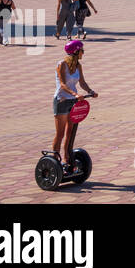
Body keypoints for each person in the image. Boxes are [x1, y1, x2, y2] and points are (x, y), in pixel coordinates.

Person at [52, 39, 98, 175]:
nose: (83, 53)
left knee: (70, 133)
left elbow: (82, 82)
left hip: (73, 101)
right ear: (76, 51)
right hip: (62, 100)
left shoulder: (78, 66)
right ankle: (55, 160)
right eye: (82, 50)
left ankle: (67, 158)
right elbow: (62, 84)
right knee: (60, 134)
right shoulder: (62, 65)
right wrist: (74, 93)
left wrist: (90, 91)